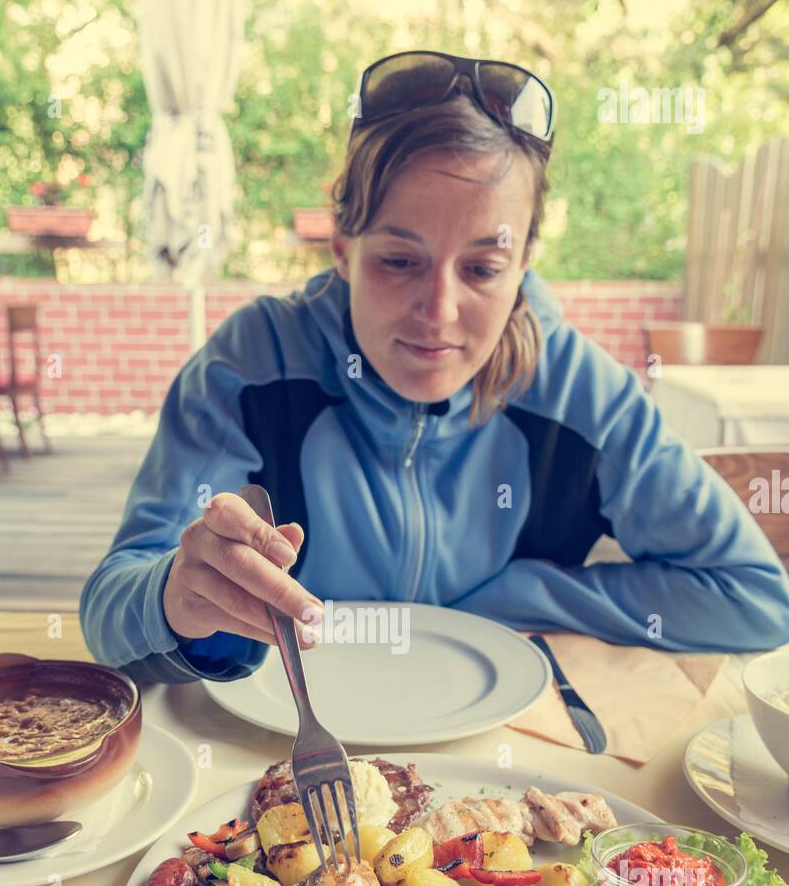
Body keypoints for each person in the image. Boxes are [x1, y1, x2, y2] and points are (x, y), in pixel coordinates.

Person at [80, 50, 789, 684]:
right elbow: (109, 608)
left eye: (482, 267)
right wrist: (176, 593)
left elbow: (757, 600)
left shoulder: (582, 391)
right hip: (277, 749)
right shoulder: (249, 363)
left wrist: (512, 596)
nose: (440, 310)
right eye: (398, 260)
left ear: (523, 266)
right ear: (342, 247)